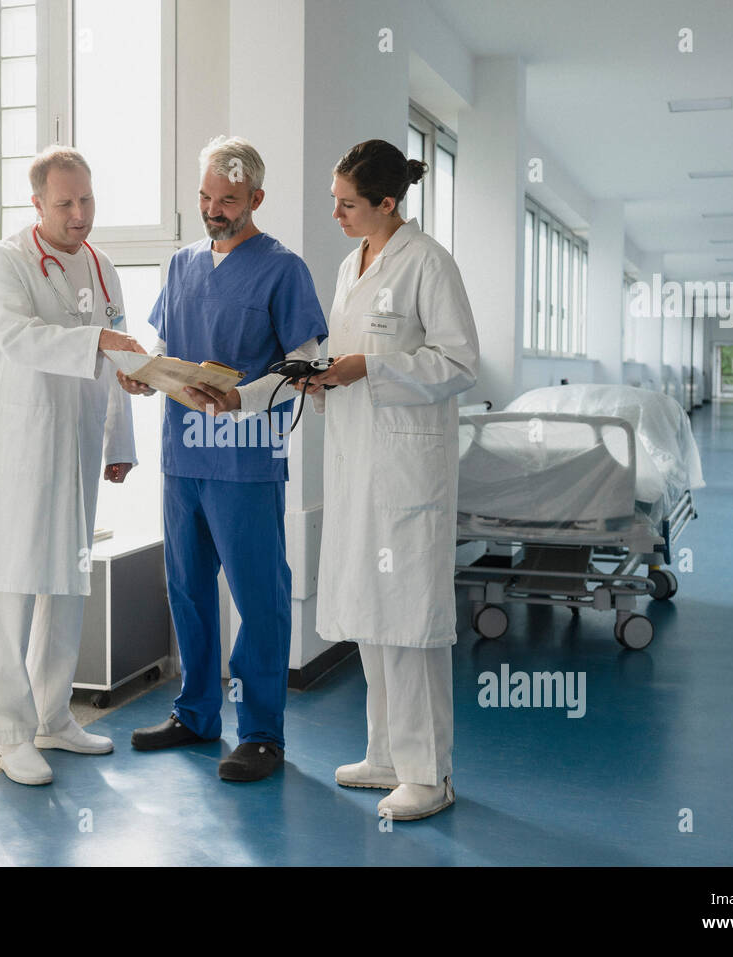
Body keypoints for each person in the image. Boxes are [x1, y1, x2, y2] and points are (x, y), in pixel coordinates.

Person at [121, 136, 328, 781]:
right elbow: (166, 350)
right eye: (206, 197)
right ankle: (195, 714)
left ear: (256, 200)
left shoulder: (283, 268)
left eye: (228, 200)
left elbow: (309, 362)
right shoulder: (181, 265)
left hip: (245, 461)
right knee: (185, 588)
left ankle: (262, 732)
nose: (214, 209)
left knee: (259, 595)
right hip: (183, 457)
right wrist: (140, 376)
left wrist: (247, 397)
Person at [302, 139, 479, 820]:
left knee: (409, 622)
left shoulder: (429, 263)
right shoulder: (353, 263)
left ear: (387, 202)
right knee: (373, 617)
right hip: (358, 458)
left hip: (407, 471)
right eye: (335, 200)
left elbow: (458, 362)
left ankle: (429, 773)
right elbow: (351, 355)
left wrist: (370, 369)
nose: (338, 213)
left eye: (348, 203)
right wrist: (326, 378)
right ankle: (386, 753)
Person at [0, 145, 144, 786]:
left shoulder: (102, 268)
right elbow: (12, 337)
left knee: (68, 583)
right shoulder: (8, 260)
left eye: (87, 200)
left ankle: (52, 716)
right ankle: (10, 732)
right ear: (38, 203)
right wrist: (96, 342)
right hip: (24, 444)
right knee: (12, 584)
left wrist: (121, 435)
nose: (80, 214)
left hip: (75, 445)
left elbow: (119, 352)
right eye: (65, 203)